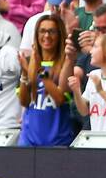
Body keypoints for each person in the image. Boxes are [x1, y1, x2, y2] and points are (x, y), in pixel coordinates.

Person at [16, 13, 76, 147]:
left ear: (60, 35)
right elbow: (24, 102)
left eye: (52, 31)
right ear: (36, 35)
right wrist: (26, 73)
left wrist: (40, 72)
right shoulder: (28, 62)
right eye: (42, 31)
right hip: (28, 140)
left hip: (57, 142)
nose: (47, 36)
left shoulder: (65, 63)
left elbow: (60, 99)